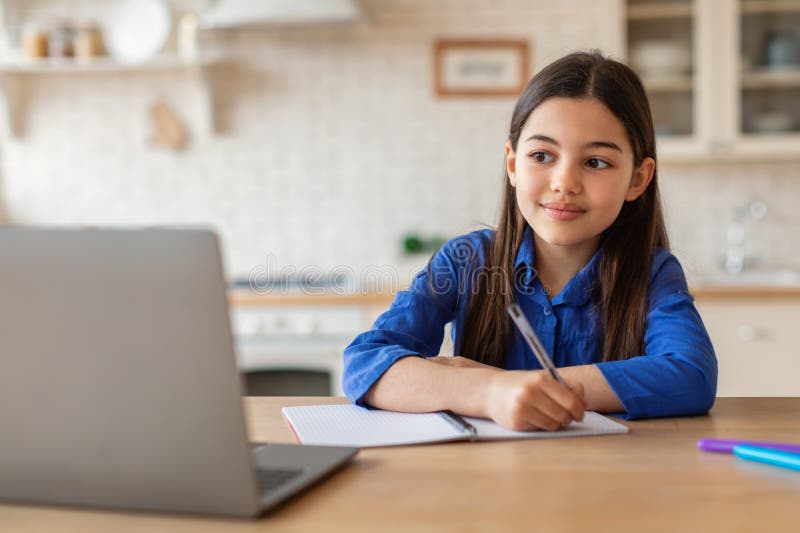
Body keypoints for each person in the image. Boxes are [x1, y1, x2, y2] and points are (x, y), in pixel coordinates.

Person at [342, 50, 717, 431]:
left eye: (595, 162)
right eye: (542, 155)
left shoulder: (653, 273)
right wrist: (487, 391)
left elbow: (691, 375)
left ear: (637, 179)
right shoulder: (465, 261)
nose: (564, 183)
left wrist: (524, 388)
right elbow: (365, 364)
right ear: (512, 164)